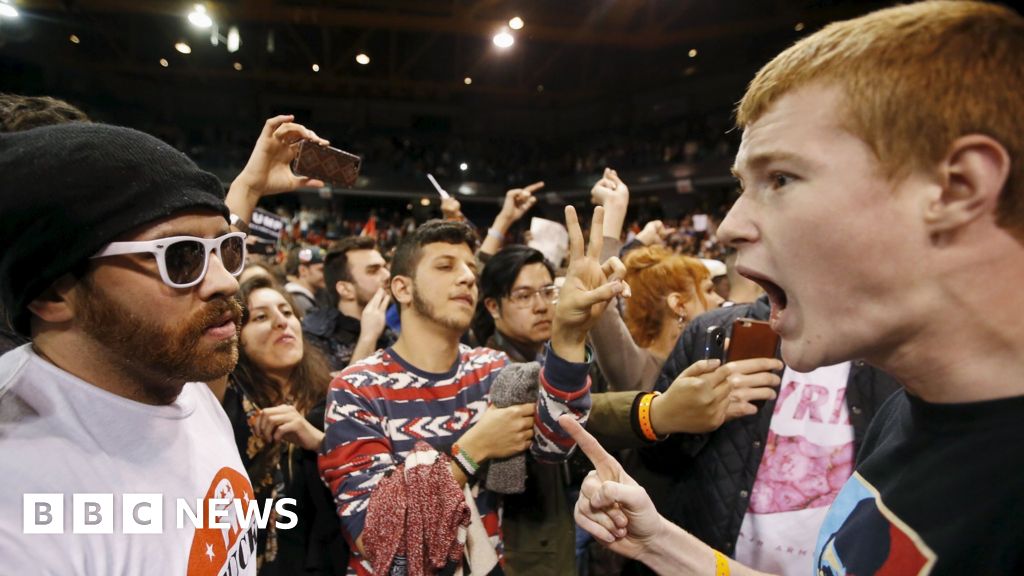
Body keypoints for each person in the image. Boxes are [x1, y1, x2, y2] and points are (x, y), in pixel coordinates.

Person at [566, 2, 1024, 574]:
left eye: (780, 178)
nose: (730, 226)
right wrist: (663, 543)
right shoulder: (909, 412)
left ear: (958, 190)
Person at [0, 123, 257, 573]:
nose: (225, 281)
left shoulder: (168, 374)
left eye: (226, 248)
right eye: (179, 257)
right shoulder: (22, 519)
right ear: (55, 294)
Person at [318, 208, 625, 575]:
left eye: (470, 268)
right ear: (402, 287)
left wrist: (570, 339)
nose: (466, 277)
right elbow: (378, 541)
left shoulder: (492, 369)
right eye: (446, 266)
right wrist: (471, 453)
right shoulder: (356, 389)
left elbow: (556, 443)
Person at [638, 293, 899, 573]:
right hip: (703, 561)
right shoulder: (711, 330)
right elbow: (656, 463)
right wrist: (692, 418)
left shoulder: (895, 354)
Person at [224, 277, 349, 574]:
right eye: (261, 317)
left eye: (287, 312)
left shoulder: (340, 397)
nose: (281, 322)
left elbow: (373, 484)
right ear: (236, 337)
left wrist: (317, 441)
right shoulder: (226, 410)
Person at [303, 237, 394, 371]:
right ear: (345, 289)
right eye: (373, 270)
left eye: (385, 267)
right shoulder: (314, 336)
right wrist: (368, 337)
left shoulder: (390, 331)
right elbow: (337, 391)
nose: (387, 275)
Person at [285, 246, 327, 316]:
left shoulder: (310, 296)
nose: (326, 274)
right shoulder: (298, 299)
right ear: (303, 270)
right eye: (321, 270)